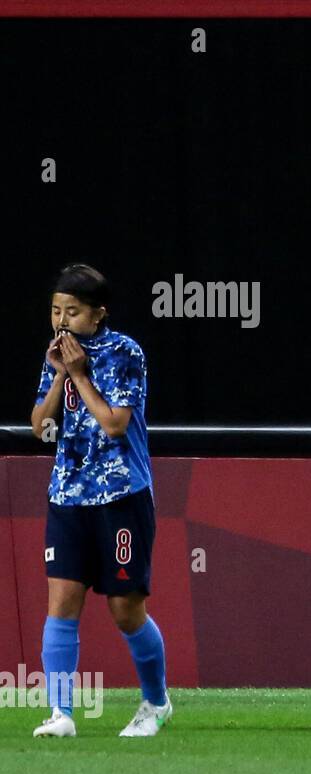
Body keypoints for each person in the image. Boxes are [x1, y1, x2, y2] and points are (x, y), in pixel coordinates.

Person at [31, 264, 172, 739]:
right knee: (61, 603)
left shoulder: (124, 352)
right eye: (56, 311)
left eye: (73, 311)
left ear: (98, 314)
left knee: (124, 609)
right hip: (67, 496)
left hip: (121, 496)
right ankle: (62, 714)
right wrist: (57, 377)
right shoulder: (56, 356)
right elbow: (40, 425)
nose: (62, 321)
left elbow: (113, 423)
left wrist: (79, 375)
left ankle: (156, 702)